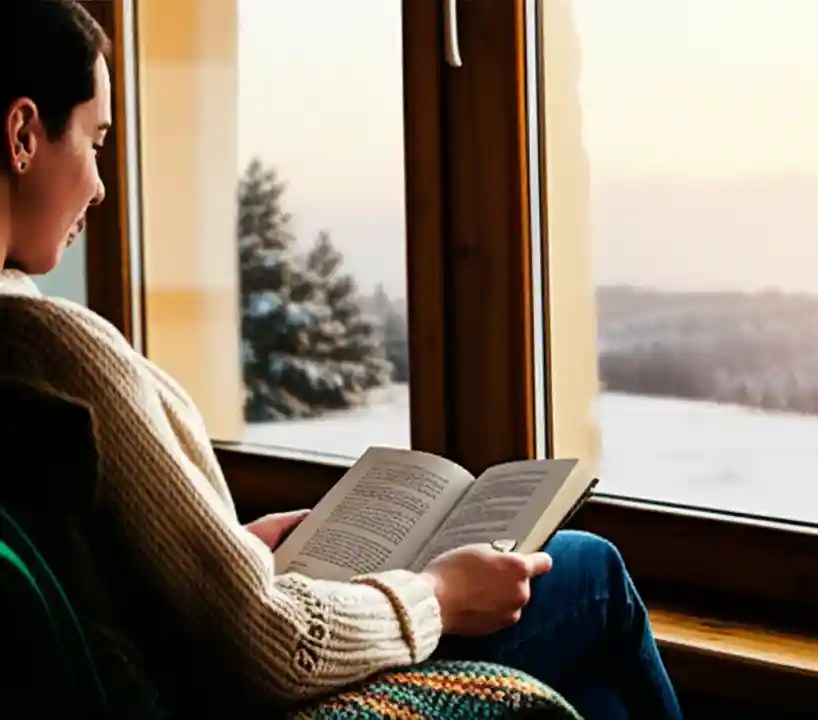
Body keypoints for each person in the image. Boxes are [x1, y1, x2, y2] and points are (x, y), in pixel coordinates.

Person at [0, 1, 682, 718]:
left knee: (597, 696)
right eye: (96, 142)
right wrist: (441, 595)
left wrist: (224, 552)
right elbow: (270, 647)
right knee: (591, 575)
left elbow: (91, 586)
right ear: (22, 135)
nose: (101, 186)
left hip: (194, 664)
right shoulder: (49, 349)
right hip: (247, 695)